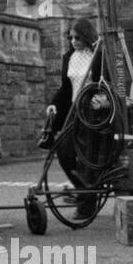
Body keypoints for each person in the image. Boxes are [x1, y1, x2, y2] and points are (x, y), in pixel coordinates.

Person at [43, 18, 107, 220]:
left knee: (88, 158)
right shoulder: (69, 57)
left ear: (87, 36)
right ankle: (83, 191)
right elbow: (65, 87)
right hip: (73, 110)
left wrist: (102, 99)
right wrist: (54, 103)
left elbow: (110, 82)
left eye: (78, 37)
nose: (74, 41)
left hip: (92, 112)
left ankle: (87, 203)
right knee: (64, 152)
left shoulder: (99, 56)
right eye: (70, 37)